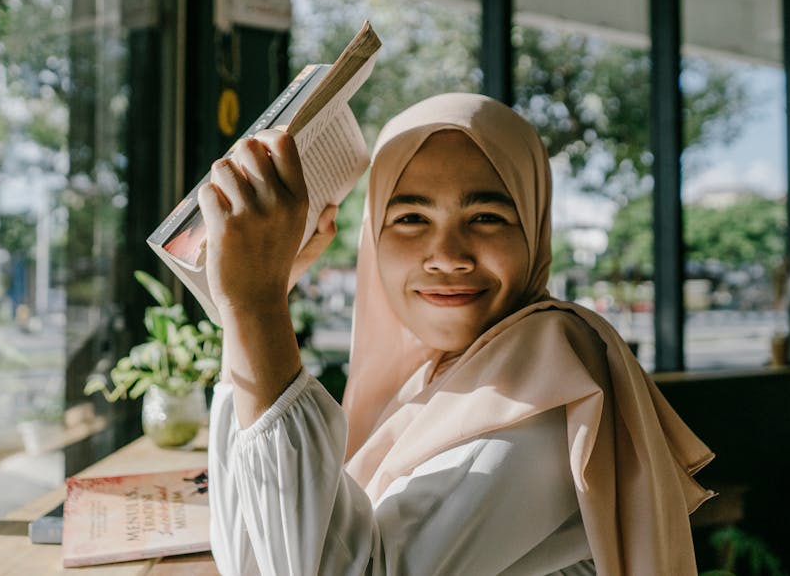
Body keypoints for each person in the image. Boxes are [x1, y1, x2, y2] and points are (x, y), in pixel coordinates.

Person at [198, 93, 714, 575]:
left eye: (487, 216)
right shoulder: (441, 374)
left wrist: (257, 306)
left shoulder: (548, 386)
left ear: (533, 230)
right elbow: (252, 555)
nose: (447, 255)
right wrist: (250, 312)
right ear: (372, 238)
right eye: (411, 218)